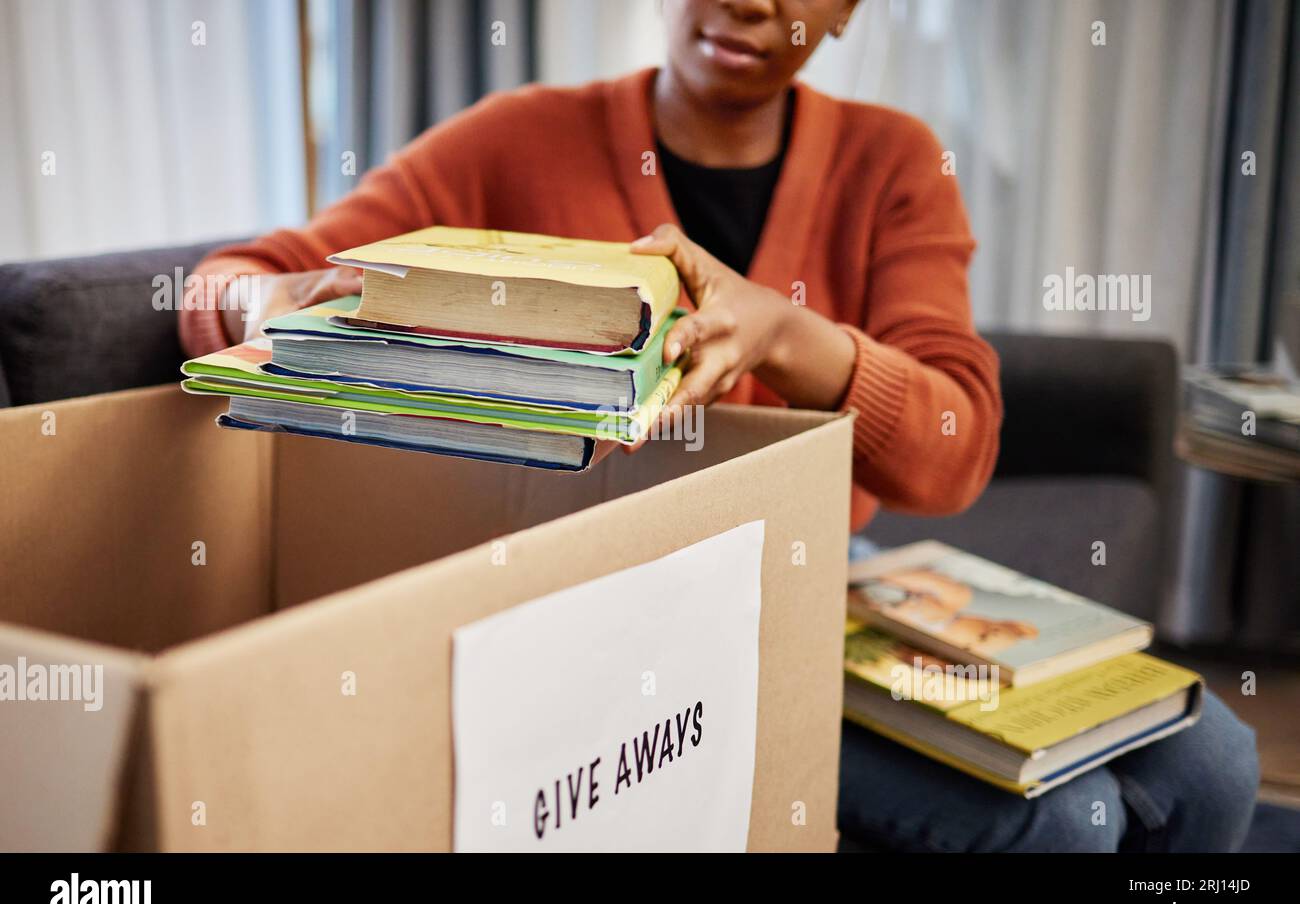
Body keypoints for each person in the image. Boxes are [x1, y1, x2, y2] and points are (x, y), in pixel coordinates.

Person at [180, 0, 1258, 852]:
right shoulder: (515, 140)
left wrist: (794, 338)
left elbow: (954, 450)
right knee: (1068, 821)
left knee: (1215, 765)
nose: (747, 1)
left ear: (845, 13)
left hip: (811, 582)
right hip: (603, 607)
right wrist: (258, 307)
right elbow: (250, 277)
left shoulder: (893, 161)